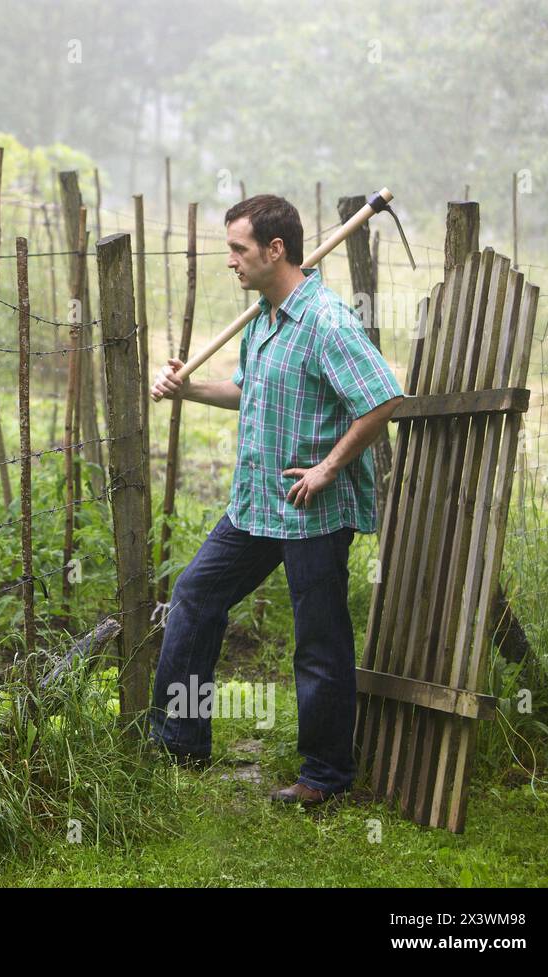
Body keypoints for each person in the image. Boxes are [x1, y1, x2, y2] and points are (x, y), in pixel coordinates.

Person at [149, 194, 403, 806]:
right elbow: (247, 390)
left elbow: (382, 399)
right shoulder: (264, 317)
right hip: (256, 505)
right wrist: (187, 390)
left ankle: (325, 775)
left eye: (238, 249)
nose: (230, 261)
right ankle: (179, 743)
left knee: (318, 639)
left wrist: (327, 468)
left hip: (310, 507)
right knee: (194, 596)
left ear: (275, 250)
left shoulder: (326, 321)